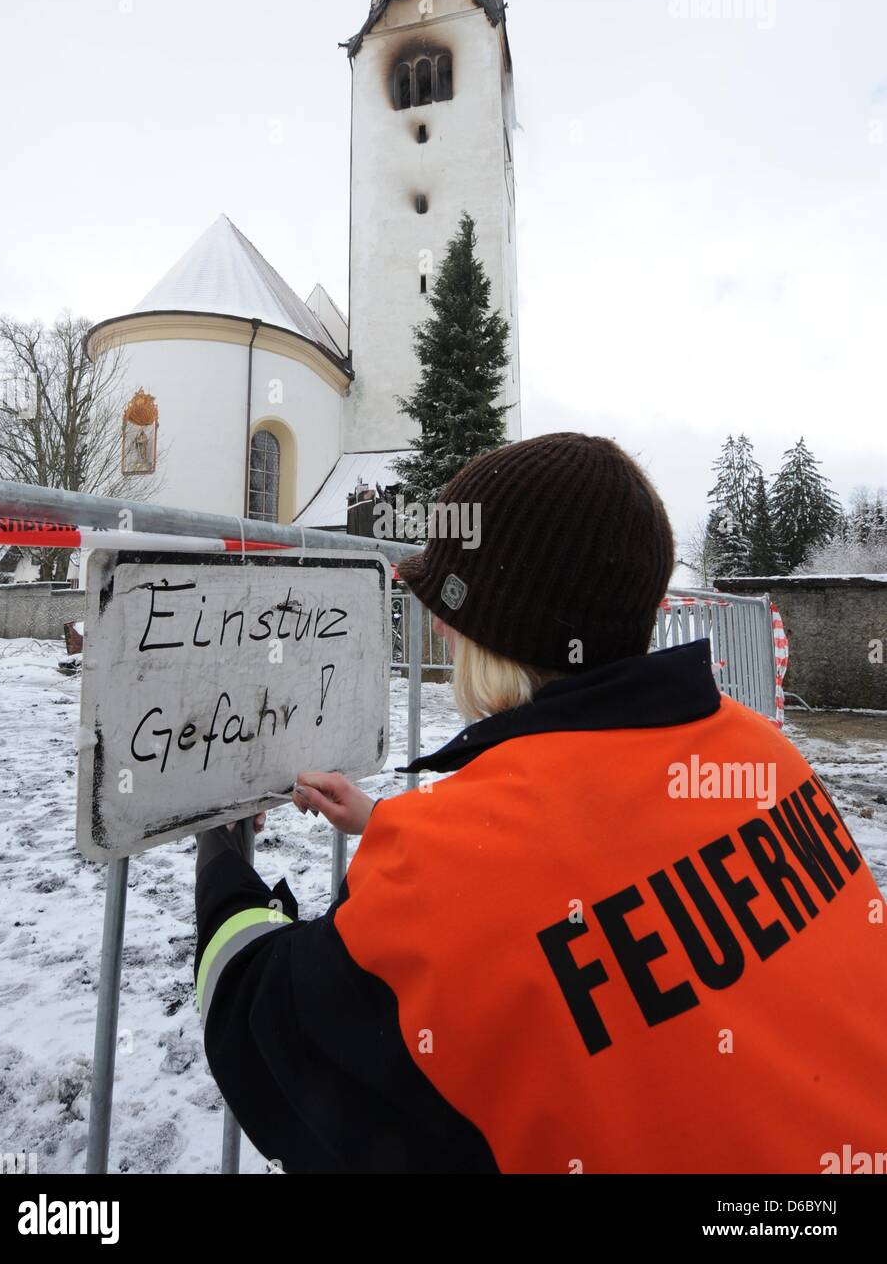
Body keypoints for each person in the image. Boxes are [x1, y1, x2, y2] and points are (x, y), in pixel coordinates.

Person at [193, 432, 887, 1174]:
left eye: (447, 604)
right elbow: (595, 850)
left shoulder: (449, 873)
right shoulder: (757, 751)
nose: (436, 626)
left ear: (495, 629)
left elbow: (265, 1029)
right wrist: (392, 824)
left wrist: (222, 838)